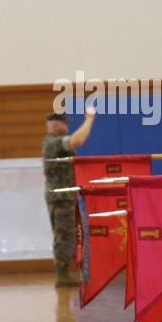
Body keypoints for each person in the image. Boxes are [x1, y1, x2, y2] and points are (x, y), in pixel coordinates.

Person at [43, 106, 97, 286]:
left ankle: (64, 272)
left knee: (66, 235)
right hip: (60, 197)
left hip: (64, 196)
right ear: (57, 125)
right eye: (65, 123)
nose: (67, 127)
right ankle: (62, 274)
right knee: (63, 235)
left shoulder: (55, 141)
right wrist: (89, 119)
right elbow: (77, 140)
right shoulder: (54, 142)